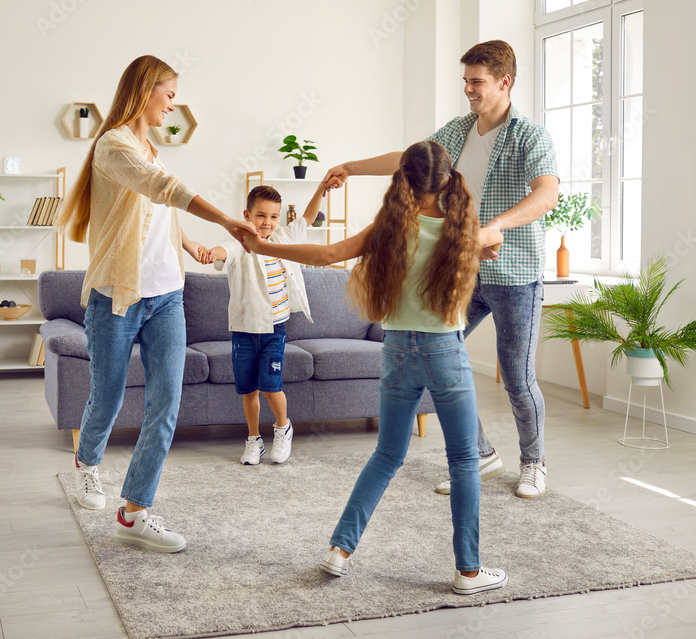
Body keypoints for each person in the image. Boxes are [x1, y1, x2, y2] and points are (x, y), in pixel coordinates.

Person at [244, 140, 507, 594]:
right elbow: (493, 240)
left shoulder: (388, 230)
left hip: (397, 349)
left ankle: (339, 550)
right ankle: (468, 572)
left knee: (387, 455)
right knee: (464, 459)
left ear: (403, 179)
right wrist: (479, 249)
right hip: (445, 350)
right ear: (447, 180)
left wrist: (262, 246)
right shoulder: (464, 228)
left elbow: (326, 255)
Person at [323, 40, 559, 500]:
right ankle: (484, 455)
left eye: (477, 82)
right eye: (466, 81)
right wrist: (350, 167)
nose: (468, 89)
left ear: (504, 81)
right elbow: (409, 160)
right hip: (462, 273)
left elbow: (546, 195)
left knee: (516, 376)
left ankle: (534, 461)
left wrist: (493, 228)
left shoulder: (530, 136)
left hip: (514, 274)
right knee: (438, 361)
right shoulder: (458, 130)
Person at [56, 55, 258, 553]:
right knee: (107, 395)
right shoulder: (114, 146)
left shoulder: (149, 147)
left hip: (168, 295)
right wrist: (230, 221)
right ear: (145, 91)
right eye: (168, 94)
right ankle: (86, 464)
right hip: (117, 295)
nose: (172, 103)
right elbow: (163, 189)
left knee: (166, 402)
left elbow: (157, 210)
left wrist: (191, 245)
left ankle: (136, 509)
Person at [198, 180, 333, 465]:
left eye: (273, 216)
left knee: (271, 387)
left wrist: (321, 189)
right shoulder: (238, 243)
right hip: (244, 331)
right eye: (260, 215)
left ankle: (283, 428)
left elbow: (308, 218)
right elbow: (224, 252)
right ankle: (253, 440)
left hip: (275, 330)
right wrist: (212, 254)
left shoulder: (284, 238)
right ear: (247, 216)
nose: (267, 222)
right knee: (248, 390)